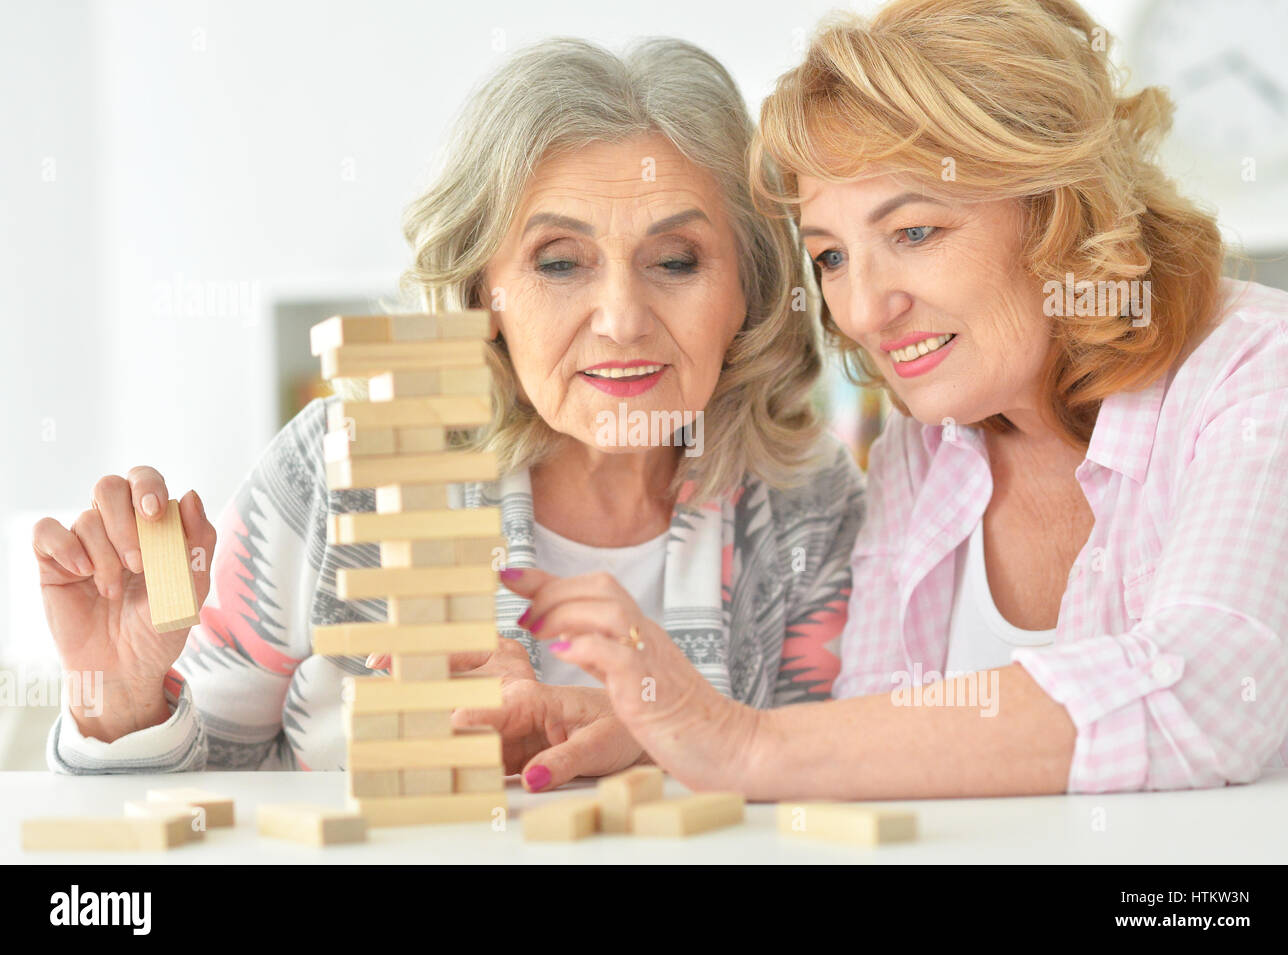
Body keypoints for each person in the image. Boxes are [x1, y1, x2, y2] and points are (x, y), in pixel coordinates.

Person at [492, 0, 1288, 797]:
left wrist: (737, 740)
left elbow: (1209, 691)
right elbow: (866, 739)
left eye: (915, 232)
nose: (866, 310)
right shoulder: (930, 444)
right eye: (832, 257)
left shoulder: (1261, 371)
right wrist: (660, 734)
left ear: (1058, 207)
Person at [32, 37, 864, 785]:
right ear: (481, 293)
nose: (621, 318)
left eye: (676, 261)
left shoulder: (807, 502)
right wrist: (123, 696)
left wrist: (653, 738)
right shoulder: (339, 467)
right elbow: (192, 801)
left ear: (750, 290)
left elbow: (827, 786)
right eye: (559, 262)